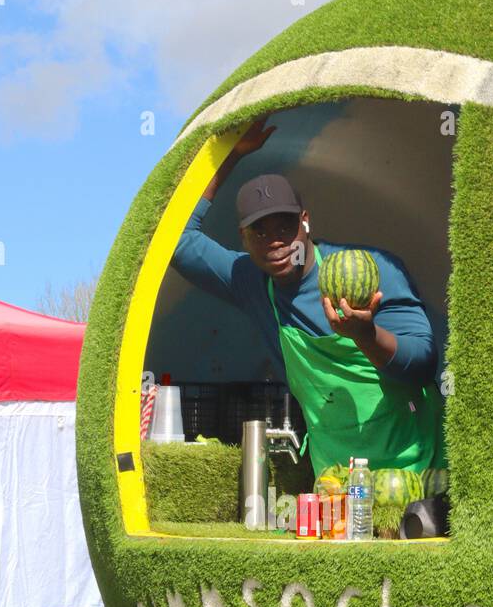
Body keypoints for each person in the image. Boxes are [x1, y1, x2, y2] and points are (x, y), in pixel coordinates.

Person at [169, 115, 446, 480]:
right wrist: (228, 154)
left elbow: (424, 365)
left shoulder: (375, 269)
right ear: (243, 238)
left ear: (305, 220)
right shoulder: (249, 280)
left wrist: (366, 336)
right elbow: (175, 240)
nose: (276, 241)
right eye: (259, 231)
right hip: (338, 482)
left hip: (415, 471)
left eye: (285, 225)